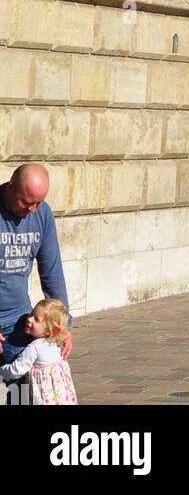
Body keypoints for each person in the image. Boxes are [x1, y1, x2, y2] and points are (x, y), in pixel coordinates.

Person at [0, 165, 71, 404]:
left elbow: (52, 272)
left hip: (17, 321)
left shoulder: (42, 214)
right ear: (11, 187)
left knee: (19, 395)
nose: (32, 210)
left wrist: (63, 326)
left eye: (38, 203)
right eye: (26, 202)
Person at [0, 299, 77, 405]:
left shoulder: (34, 348)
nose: (29, 319)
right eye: (31, 314)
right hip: (59, 397)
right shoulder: (57, 343)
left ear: (49, 330)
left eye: (36, 319)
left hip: (43, 398)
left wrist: (2, 369)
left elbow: (17, 370)